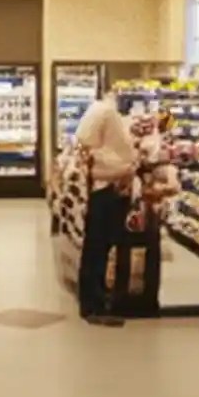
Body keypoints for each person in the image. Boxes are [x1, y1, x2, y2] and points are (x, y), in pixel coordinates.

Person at [73, 89, 138, 328]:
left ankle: (93, 301)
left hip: (104, 188)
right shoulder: (107, 113)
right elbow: (91, 152)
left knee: (96, 248)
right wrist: (125, 171)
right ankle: (94, 305)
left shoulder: (100, 111)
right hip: (105, 190)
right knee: (99, 247)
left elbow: (84, 144)